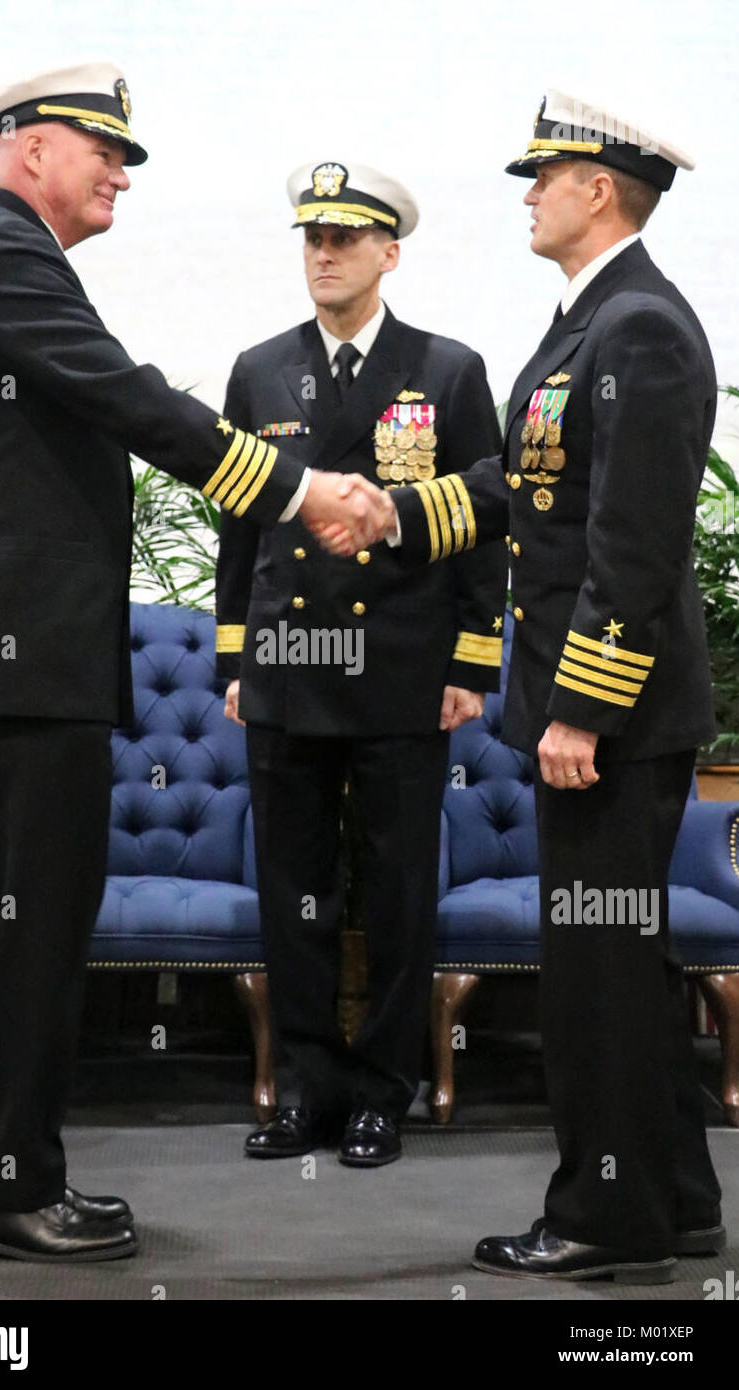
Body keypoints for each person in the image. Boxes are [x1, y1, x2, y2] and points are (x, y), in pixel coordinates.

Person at [0, 62, 393, 1264]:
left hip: (24, 660)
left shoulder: (13, 264)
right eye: (103, 148)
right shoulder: (6, 259)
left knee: (24, 928)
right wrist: (294, 485)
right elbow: (137, 403)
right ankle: (3, 1186)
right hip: (21, 663)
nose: (119, 171)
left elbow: (121, 403)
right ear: (29, 149)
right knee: (29, 930)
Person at [317, 90, 724, 1280]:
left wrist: (580, 711)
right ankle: (675, 1199)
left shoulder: (638, 326)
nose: (529, 193)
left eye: (543, 177)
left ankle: (602, 1217)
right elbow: (529, 481)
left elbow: (634, 547)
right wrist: (404, 507)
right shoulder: (590, 323)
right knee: (625, 969)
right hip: (604, 714)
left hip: (612, 715)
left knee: (595, 980)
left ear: (597, 189)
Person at [216, 161, 506, 1166]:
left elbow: (484, 523)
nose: (324, 253)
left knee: (392, 892)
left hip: (400, 673)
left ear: (389, 252)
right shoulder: (259, 371)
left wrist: (471, 661)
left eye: (344, 238)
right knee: (292, 891)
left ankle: (384, 1087)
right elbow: (238, 532)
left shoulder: (447, 370)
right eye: (311, 238)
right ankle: (304, 1086)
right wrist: (235, 658)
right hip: (288, 670)